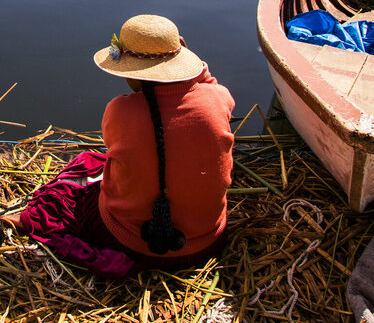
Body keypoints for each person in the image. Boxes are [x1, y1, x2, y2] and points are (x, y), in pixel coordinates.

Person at [2, 14, 235, 277]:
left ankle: (26, 219)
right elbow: (208, 88)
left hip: (131, 244)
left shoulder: (121, 110)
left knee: (71, 188)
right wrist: (196, 68)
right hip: (206, 243)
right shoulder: (218, 98)